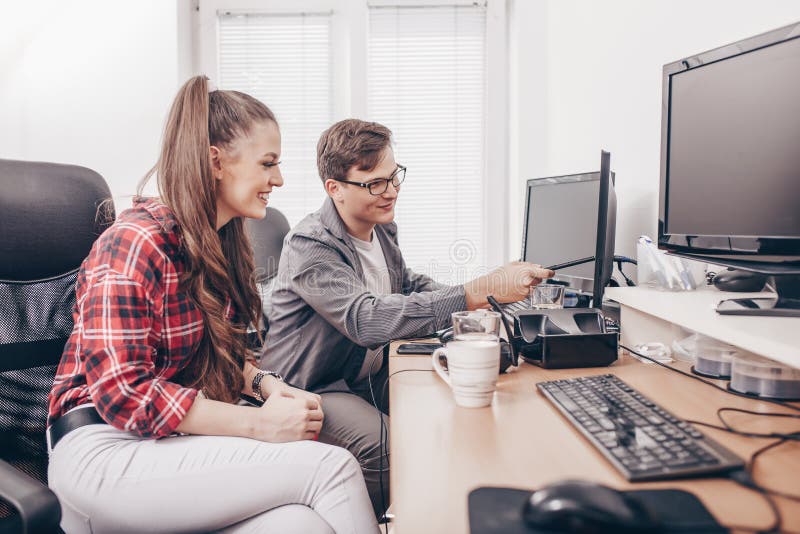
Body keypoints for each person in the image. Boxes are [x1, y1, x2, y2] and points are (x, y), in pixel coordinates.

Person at [47, 77, 379, 534]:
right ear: (215, 161)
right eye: (268, 163)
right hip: (104, 450)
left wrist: (266, 386)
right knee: (331, 467)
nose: (278, 179)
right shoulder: (133, 243)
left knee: (302, 525)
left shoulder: (218, 245)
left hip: (169, 445)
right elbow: (124, 393)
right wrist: (260, 424)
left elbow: (218, 350)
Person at [262, 118, 554, 517]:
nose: (392, 191)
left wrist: (487, 298)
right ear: (335, 189)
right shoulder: (310, 245)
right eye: (375, 183)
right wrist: (474, 293)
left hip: (364, 373)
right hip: (314, 385)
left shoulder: (380, 228)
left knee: (445, 410)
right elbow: (366, 320)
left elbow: (407, 284)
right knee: (388, 449)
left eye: (394, 176)